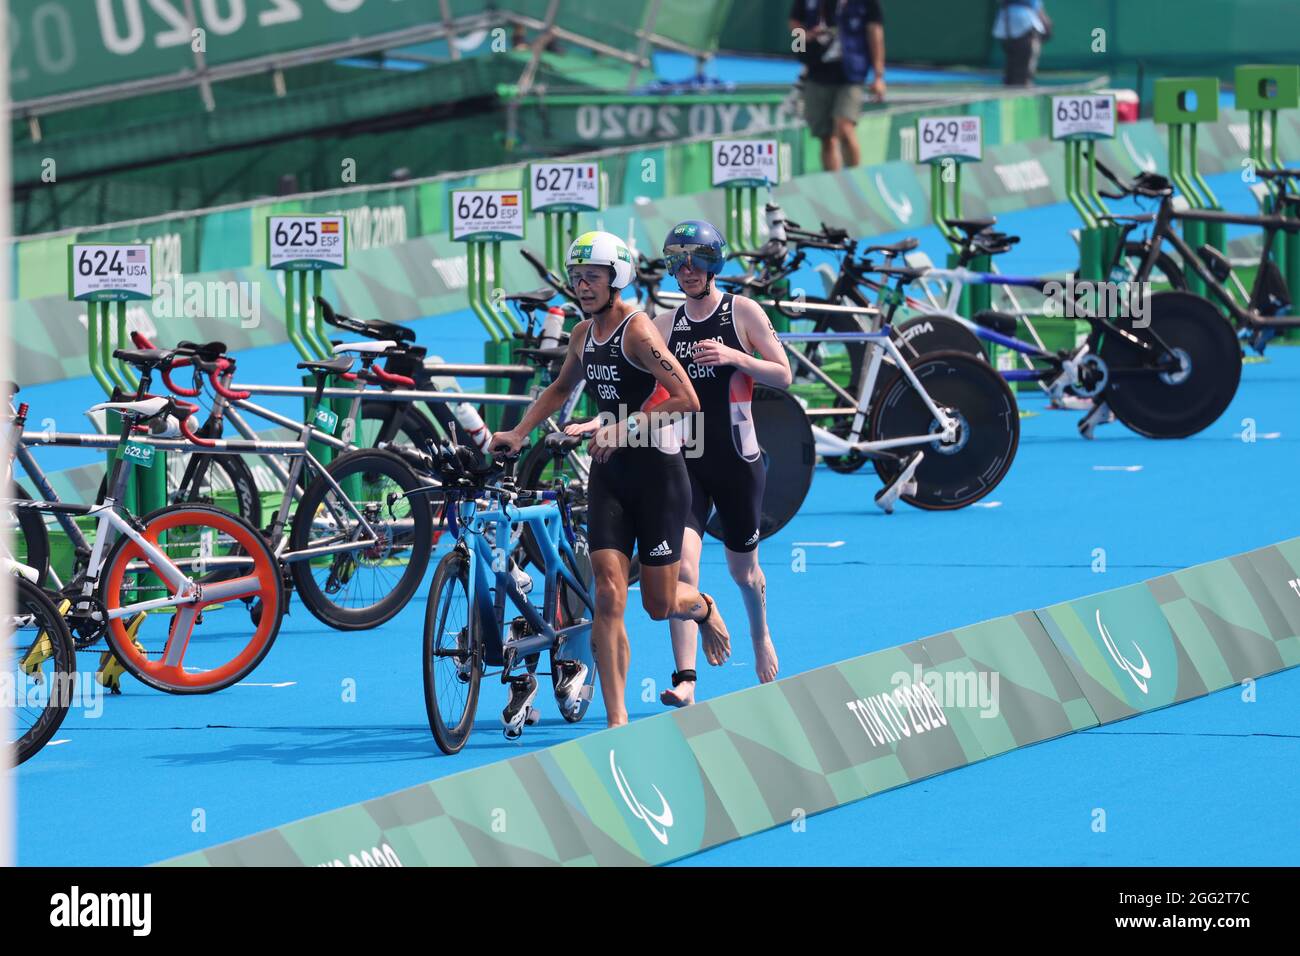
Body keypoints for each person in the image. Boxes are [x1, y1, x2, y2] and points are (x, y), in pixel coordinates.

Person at [490, 231, 733, 728]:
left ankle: (704, 608)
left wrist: (621, 427)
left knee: (659, 605)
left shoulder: (639, 332)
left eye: (592, 278)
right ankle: (616, 721)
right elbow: (561, 388)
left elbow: (688, 399)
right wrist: (518, 432)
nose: (582, 286)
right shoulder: (582, 335)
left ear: (616, 279)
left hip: (660, 478)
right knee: (606, 593)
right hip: (610, 477)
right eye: (576, 278)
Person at [653, 221, 793, 707]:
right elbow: (641, 381)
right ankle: (686, 679)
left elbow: (785, 373)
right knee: (680, 567)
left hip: (738, 463)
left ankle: (759, 635)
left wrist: (736, 356)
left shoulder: (743, 311)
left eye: (696, 262)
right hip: (686, 463)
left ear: (715, 264)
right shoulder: (666, 325)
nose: (687, 271)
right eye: (678, 263)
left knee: (743, 573)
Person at [788, 0, 886, 172]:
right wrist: (805, 39)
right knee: (826, 138)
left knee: (844, 126)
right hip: (818, 72)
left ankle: (857, 179)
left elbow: (875, 32)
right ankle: (835, 183)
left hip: (851, 74)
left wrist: (878, 76)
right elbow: (795, 24)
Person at [992, 0, 1050, 87]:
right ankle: (1024, 82)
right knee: (1029, 52)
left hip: (1006, 20)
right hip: (1024, 19)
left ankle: (1011, 83)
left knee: (1012, 56)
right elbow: (1037, 7)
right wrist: (1046, 23)